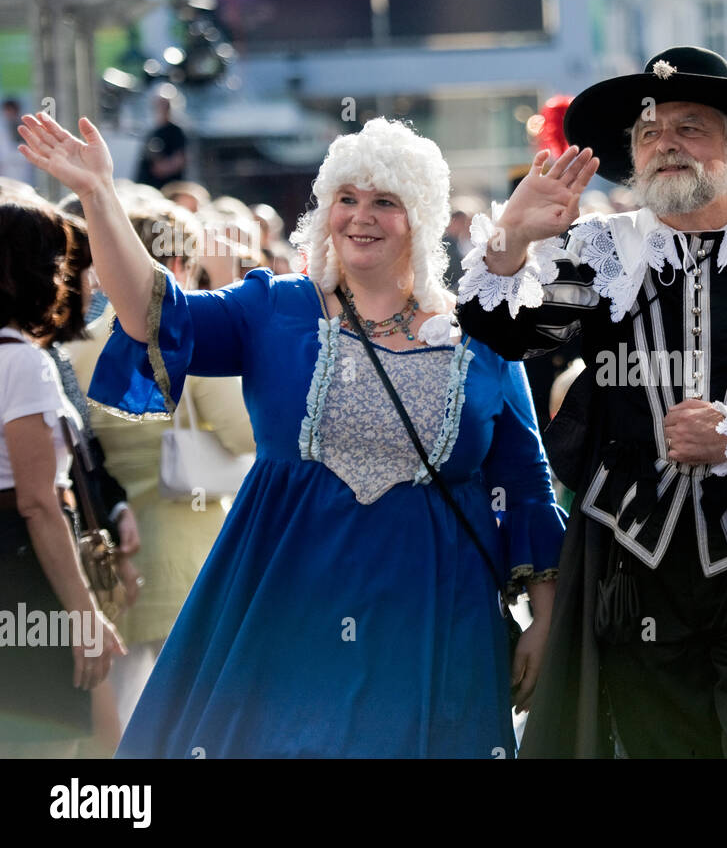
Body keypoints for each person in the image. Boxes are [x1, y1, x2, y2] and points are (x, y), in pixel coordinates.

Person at [18, 113, 565, 757]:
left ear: (420, 218)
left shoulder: (480, 336)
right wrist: (99, 195)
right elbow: (152, 313)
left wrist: (544, 618)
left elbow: (525, 481)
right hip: (288, 608)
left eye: (385, 202)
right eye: (346, 198)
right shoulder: (272, 308)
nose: (360, 217)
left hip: (436, 614)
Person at [456, 45, 727, 758]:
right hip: (636, 564)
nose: (666, 143)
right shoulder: (598, 251)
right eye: (649, 131)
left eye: (690, 127)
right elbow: (509, 334)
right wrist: (511, 239)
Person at [66, 199, 256, 741]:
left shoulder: (80, 343)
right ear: (175, 266)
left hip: (112, 559)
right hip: (188, 555)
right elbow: (246, 432)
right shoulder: (181, 338)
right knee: (197, 725)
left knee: (127, 722)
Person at [0, 197, 127, 756]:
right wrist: (85, 615)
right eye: (61, 263)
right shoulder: (23, 362)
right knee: (42, 747)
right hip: (21, 572)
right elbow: (37, 502)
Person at [134, 95, 187, 190]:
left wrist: (163, 168)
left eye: (165, 106)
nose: (161, 109)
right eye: (159, 105)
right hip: (148, 187)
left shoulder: (176, 132)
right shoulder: (152, 131)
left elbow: (179, 160)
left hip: (167, 188)